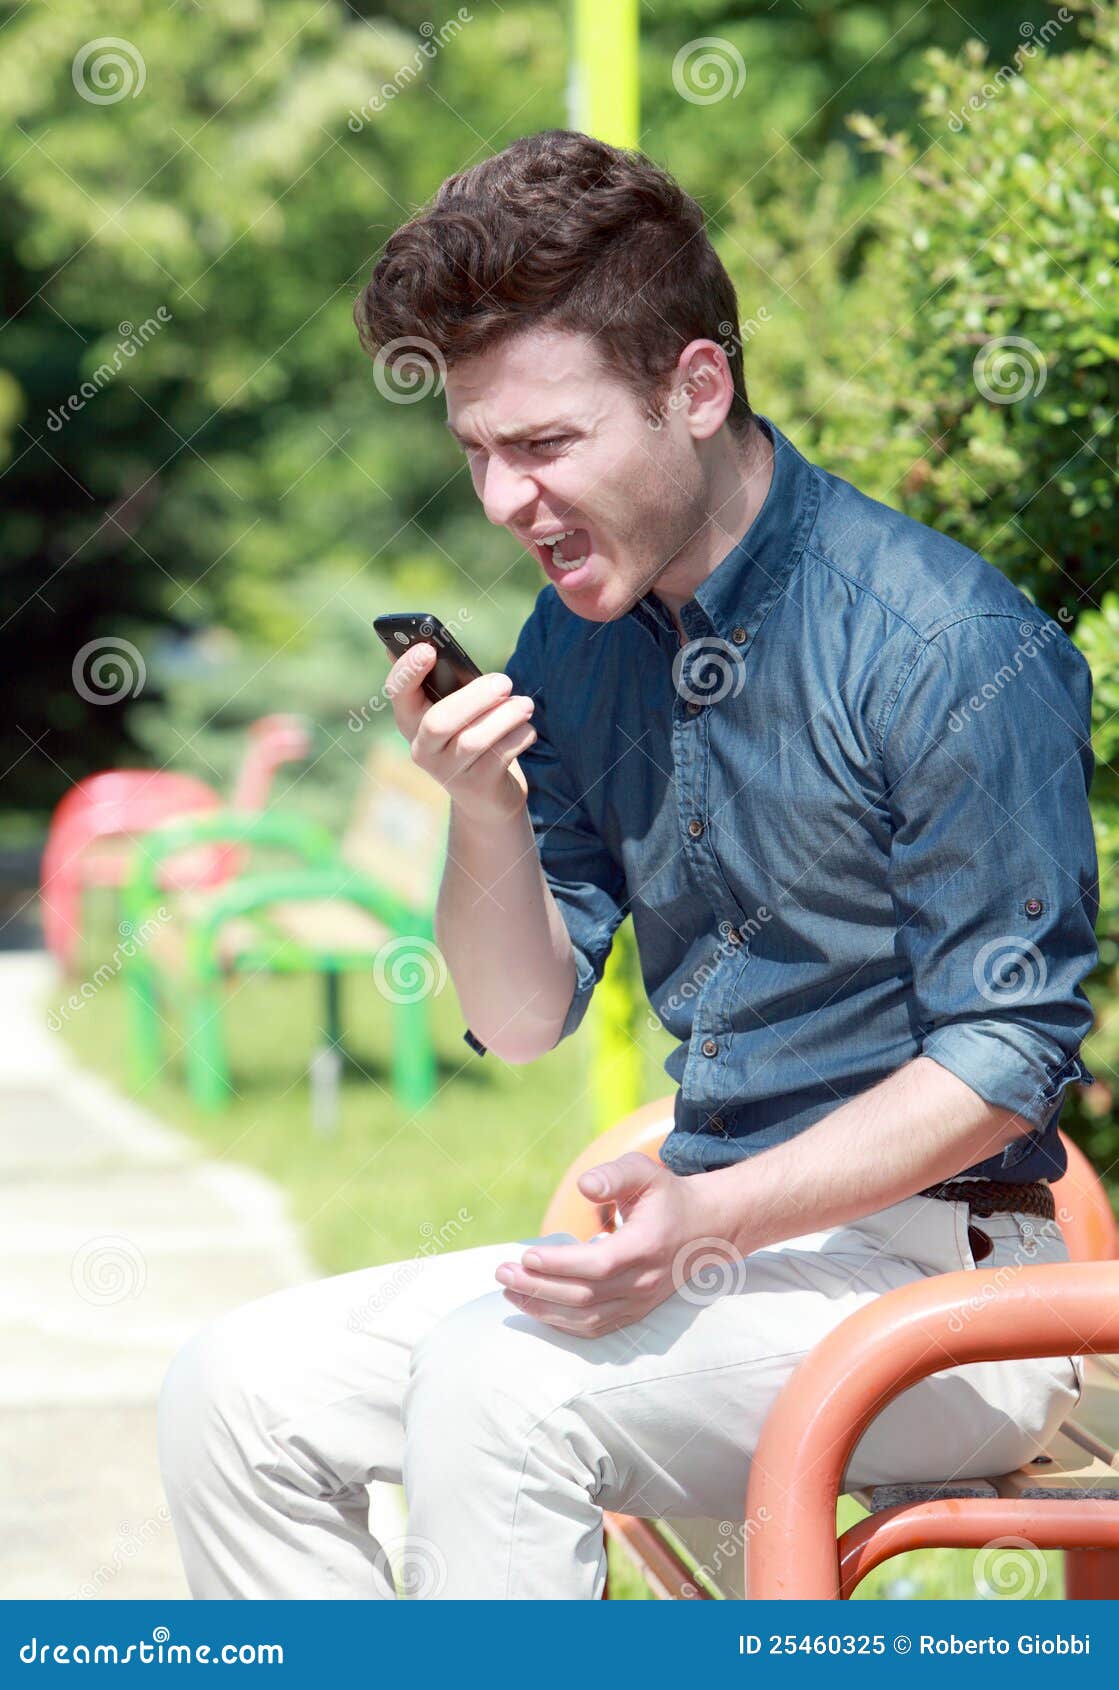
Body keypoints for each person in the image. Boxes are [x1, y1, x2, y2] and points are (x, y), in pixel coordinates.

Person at [157, 130, 1098, 1600]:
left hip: (958, 1296)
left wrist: (713, 1216)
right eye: (476, 452)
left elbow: (1007, 1058)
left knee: (499, 1385)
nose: (500, 501)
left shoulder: (946, 644)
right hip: (715, 1256)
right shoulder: (575, 646)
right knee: (237, 1386)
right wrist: (480, 809)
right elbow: (522, 1019)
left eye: (543, 446)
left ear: (696, 387)